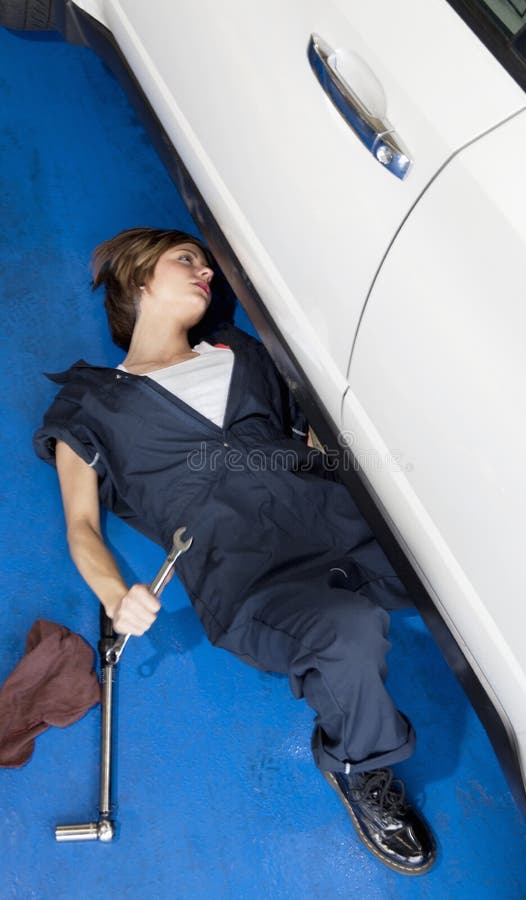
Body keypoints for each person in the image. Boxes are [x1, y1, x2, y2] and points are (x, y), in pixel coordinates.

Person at [33, 226, 436, 875]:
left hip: (337, 518)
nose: (206, 273)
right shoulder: (90, 404)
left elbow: (309, 424)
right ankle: (361, 761)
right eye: (186, 260)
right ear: (139, 279)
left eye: (207, 265)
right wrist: (115, 595)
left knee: (471, 580)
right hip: (249, 574)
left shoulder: (237, 351)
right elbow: (81, 524)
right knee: (348, 633)